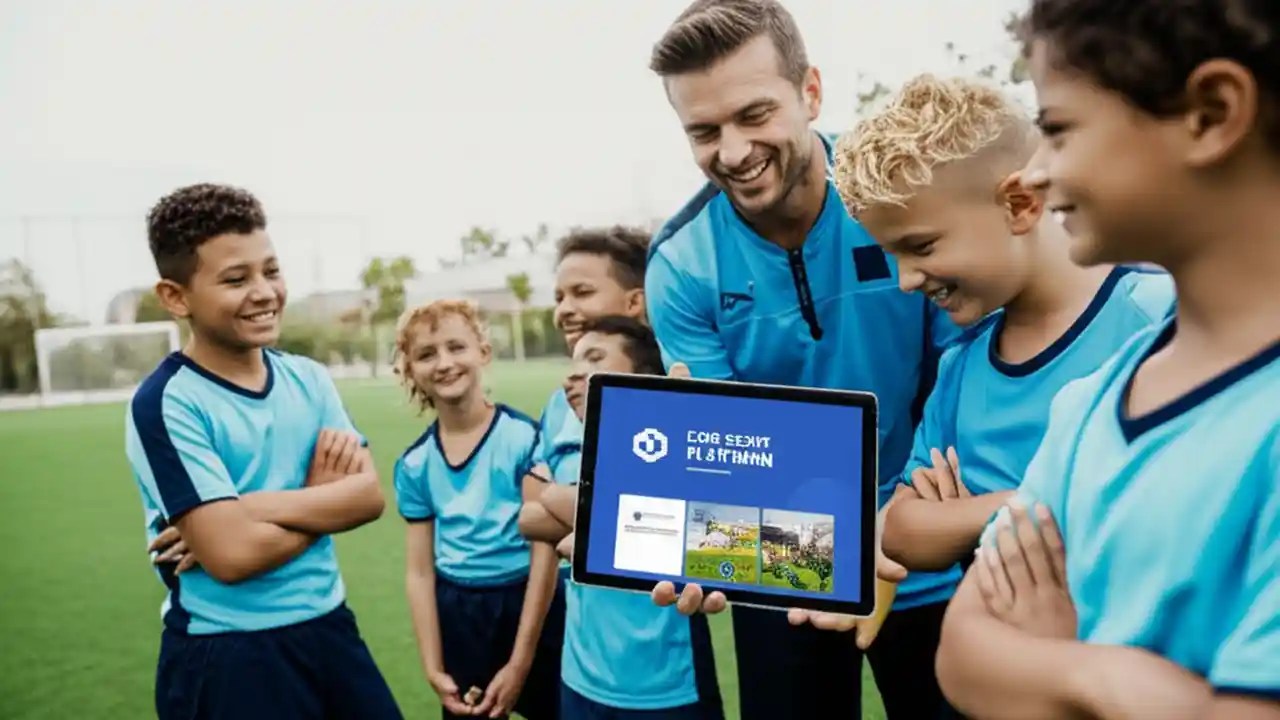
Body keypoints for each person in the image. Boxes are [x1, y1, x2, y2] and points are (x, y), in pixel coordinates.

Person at [935, 2, 1280, 718]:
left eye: (1057, 129)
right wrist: (1098, 678)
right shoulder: (1094, 401)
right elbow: (962, 655)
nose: (1031, 173)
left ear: (1212, 113)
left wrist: (1044, 663)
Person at [644, 2, 958, 717]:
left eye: (755, 114)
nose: (732, 151)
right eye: (703, 131)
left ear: (810, 92)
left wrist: (903, 533)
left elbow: (960, 379)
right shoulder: (681, 264)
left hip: (926, 543)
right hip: (786, 564)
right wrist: (709, 538)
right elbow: (725, 455)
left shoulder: (899, 193)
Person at [830, 72, 1175, 718]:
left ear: (1019, 204)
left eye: (921, 246)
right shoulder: (962, 371)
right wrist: (1054, 503)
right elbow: (905, 529)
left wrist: (982, 513)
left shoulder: (1159, 317)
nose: (904, 281)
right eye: (889, 255)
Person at [125, 183, 401, 720]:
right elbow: (231, 558)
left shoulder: (309, 379)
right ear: (176, 297)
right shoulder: (166, 402)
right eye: (235, 279)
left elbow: (367, 497)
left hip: (329, 629)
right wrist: (321, 501)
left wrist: (245, 507)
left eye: (270, 271)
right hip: (228, 654)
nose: (264, 292)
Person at [523, 315, 725, 720]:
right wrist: (573, 506)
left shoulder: (679, 457)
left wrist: (558, 498)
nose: (572, 376)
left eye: (594, 358)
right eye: (573, 361)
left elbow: (673, 525)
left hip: (664, 685)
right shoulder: (572, 442)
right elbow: (528, 520)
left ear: (644, 377)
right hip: (580, 675)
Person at [391, 298, 562, 720]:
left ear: (483, 353)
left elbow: (545, 553)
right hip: (462, 613)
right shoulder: (414, 465)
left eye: (456, 347)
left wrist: (520, 663)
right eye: (427, 354)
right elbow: (418, 571)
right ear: (410, 370)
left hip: (530, 601)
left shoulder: (525, 439)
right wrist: (433, 664)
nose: (444, 363)